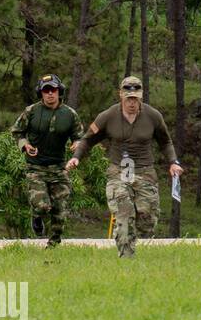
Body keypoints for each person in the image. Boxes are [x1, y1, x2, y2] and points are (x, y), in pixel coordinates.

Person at [66, 75, 183, 258]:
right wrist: (76, 157)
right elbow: (87, 140)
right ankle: (127, 257)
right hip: (118, 172)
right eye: (128, 98)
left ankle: (129, 235)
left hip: (145, 172)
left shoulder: (153, 116)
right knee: (124, 215)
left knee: (147, 222)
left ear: (141, 97)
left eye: (135, 98)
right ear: (121, 95)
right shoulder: (107, 116)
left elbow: (165, 142)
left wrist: (173, 162)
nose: (131, 103)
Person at [9, 74, 85, 248]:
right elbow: (16, 131)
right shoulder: (31, 111)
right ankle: (36, 216)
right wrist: (25, 145)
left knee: (59, 208)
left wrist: (76, 145)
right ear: (41, 93)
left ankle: (54, 245)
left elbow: (80, 137)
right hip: (35, 168)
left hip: (59, 168)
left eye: (53, 90)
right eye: (46, 90)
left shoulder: (70, 114)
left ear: (60, 91)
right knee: (42, 206)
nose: (50, 94)